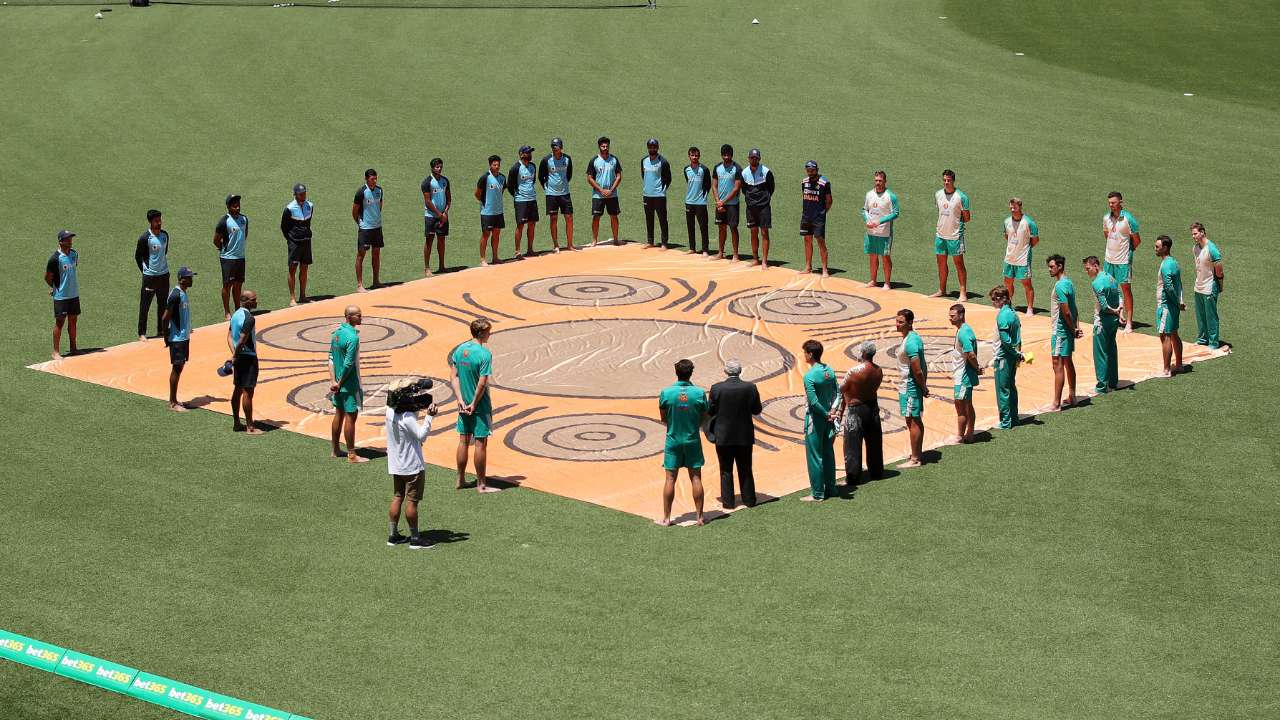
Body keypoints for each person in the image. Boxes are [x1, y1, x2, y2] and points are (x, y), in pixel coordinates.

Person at [384, 377, 439, 550]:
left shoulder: (389, 411)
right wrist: (429, 417)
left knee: (397, 496)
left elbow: (410, 408)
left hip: (396, 463)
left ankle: (393, 536)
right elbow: (421, 435)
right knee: (412, 501)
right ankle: (415, 539)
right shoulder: (407, 417)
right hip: (412, 465)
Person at [657, 358, 708, 525]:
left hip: (673, 439)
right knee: (696, 478)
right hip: (692, 438)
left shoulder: (666, 393)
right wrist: (694, 425)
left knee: (670, 478)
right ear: (691, 372)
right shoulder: (699, 393)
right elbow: (704, 417)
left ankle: (666, 518)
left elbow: (664, 418)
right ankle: (699, 517)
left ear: (676, 372)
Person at [450, 318, 499, 493]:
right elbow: (482, 382)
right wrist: (473, 403)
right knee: (480, 444)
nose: (490, 334)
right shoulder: (484, 354)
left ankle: (460, 479)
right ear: (481, 333)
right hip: (479, 406)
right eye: (488, 331)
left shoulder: (460, 350)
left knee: (463, 440)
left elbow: (453, 377)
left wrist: (460, 400)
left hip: (462, 405)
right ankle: (481, 484)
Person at [828, 340, 884, 486]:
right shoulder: (879, 371)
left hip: (856, 410)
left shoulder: (854, 372)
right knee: (874, 443)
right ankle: (877, 472)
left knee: (852, 446)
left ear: (864, 353)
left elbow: (841, 391)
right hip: (872, 408)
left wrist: (839, 410)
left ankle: (852, 477)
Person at [707, 359, 762, 509]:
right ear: (740, 371)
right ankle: (749, 500)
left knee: (726, 470)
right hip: (744, 435)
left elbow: (710, 410)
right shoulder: (750, 387)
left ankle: (728, 502)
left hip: (723, 436)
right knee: (745, 468)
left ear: (726, 371)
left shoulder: (717, 388)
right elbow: (757, 410)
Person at [800, 339, 838, 501]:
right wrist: (833, 412)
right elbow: (838, 394)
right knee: (828, 453)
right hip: (830, 418)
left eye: (804, 353)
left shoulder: (809, 376)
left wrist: (826, 414)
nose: (803, 356)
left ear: (810, 354)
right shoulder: (829, 370)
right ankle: (831, 488)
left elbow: (813, 401)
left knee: (815, 456)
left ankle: (817, 493)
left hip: (816, 419)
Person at [1046, 254, 1082, 410]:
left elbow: (1066, 311)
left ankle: (1056, 403)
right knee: (1068, 362)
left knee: (1058, 364)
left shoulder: (1060, 286)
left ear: (1060, 266)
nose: (1049, 269)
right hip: (1067, 330)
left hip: (1060, 331)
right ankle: (1072, 396)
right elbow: (1074, 308)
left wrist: (1072, 328)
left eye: (1052, 266)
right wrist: (1075, 327)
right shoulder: (1069, 283)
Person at [1102, 191, 1142, 333]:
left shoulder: (1128, 219)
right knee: (1109, 288)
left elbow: (1136, 240)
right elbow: (1107, 234)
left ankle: (1129, 322)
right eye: (1109, 203)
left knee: (1126, 289)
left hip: (1123, 260)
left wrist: (1128, 252)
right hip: (1109, 259)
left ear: (1120, 202)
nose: (1111, 205)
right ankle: (1116, 316)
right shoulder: (1106, 218)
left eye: (1113, 202)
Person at [329, 305, 365, 461]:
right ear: (350, 317)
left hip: (337, 384)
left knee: (339, 414)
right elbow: (349, 364)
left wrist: (333, 381)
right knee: (351, 416)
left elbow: (330, 359)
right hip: (349, 384)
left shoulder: (336, 334)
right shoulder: (353, 337)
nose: (361, 317)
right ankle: (351, 454)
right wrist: (341, 382)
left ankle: (336, 449)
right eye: (358, 315)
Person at [1083, 256, 1122, 394]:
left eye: (1088, 269)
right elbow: (1119, 294)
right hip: (1114, 321)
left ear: (1096, 266)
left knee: (1100, 353)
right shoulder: (1110, 278)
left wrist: (1115, 312)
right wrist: (1119, 312)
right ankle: (1113, 381)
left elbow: (1104, 307)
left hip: (1103, 321)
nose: (1087, 272)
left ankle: (1102, 385)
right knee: (1111, 349)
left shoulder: (1096, 283)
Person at [988, 286, 1025, 429]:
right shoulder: (1013, 313)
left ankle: (1005, 422)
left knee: (1002, 389)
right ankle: (1014, 418)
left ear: (1001, 299)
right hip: (1011, 357)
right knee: (1011, 387)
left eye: (993, 299)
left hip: (1003, 358)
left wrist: (1016, 354)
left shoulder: (1002, 316)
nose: (992, 302)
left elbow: (1006, 341)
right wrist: (1018, 354)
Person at [895, 309, 928, 466]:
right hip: (906, 386)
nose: (898, 324)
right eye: (897, 321)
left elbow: (917, 369)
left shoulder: (911, 342)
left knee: (914, 420)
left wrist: (923, 387)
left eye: (901, 322)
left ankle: (916, 458)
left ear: (910, 322)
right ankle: (915, 454)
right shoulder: (909, 338)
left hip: (911, 387)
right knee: (910, 420)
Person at [161, 267, 196, 412]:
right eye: (189, 277)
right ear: (182, 279)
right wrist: (166, 337)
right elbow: (165, 318)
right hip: (177, 338)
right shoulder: (175, 295)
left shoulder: (183, 293)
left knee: (179, 367)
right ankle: (172, 402)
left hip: (183, 337)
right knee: (176, 368)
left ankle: (175, 400)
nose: (191, 279)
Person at [932, 169, 971, 299]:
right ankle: (941, 290)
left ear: (953, 181)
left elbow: (967, 217)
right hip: (940, 235)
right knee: (941, 263)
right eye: (944, 180)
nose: (946, 182)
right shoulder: (938, 194)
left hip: (955, 235)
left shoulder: (961, 197)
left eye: (949, 180)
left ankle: (963, 293)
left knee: (959, 264)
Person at [227, 290, 261, 434]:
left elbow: (229, 336)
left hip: (239, 357)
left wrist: (234, 354)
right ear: (247, 302)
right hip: (248, 358)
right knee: (248, 392)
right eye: (254, 300)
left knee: (237, 389)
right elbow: (242, 339)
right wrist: (235, 355)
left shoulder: (235, 315)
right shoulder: (249, 318)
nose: (256, 302)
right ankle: (250, 427)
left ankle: (236, 423)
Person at [1190, 222, 1225, 350]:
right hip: (1198, 285)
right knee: (1200, 315)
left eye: (1195, 233)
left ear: (1202, 232)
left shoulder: (1211, 248)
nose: (1193, 236)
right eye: (1192, 234)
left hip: (1210, 286)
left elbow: (1219, 269)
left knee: (1211, 316)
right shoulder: (1195, 248)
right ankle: (1202, 339)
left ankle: (1213, 342)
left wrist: (1220, 284)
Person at [135, 209, 170, 341]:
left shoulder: (165, 235)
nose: (159, 223)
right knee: (145, 305)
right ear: (150, 222)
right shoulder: (145, 238)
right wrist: (145, 270)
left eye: (160, 220)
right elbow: (138, 257)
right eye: (156, 221)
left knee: (162, 304)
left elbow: (164, 252)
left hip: (164, 275)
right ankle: (141, 333)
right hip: (150, 276)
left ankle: (160, 330)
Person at [1155, 235, 1187, 377]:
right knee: (1174, 334)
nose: (1155, 249)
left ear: (1165, 248)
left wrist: (1175, 302)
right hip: (1173, 306)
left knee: (1165, 336)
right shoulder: (1174, 262)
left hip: (1166, 306)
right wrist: (1180, 301)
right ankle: (1179, 365)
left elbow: (1169, 287)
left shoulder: (1166, 265)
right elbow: (1179, 284)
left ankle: (1167, 370)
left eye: (1157, 247)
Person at [45, 230, 80, 360]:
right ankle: (55, 352)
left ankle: (73, 348)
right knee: (60, 322)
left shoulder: (74, 254)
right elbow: (48, 277)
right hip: (61, 296)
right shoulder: (55, 258)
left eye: (71, 238)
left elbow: (71, 272)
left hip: (74, 294)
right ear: (61, 241)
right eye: (67, 239)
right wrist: (55, 287)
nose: (70, 241)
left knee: (73, 321)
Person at [948, 304, 981, 443]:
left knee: (961, 405)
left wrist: (977, 368)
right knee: (967, 404)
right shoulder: (964, 329)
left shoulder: (963, 332)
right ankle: (969, 432)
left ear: (961, 315)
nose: (950, 318)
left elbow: (970, 354)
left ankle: (961, 435)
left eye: (952, 316)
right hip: (962, 374)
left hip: (963, 375)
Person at [862, 170, 899, 289]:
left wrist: (880, 221)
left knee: (885, 257)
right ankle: (873, 280)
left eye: (880, 181)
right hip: (871, 232)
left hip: (885, 233)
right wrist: (867, 220)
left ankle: (887, 283)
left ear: (885, 181)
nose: (878, 182)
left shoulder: (890, 196)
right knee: (872, 256)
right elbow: (864, 210)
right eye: (876, 180)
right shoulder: (869, 194)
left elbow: (896, 213)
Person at [1001, 197, 1039, 315]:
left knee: (1026, 283)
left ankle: (1029, 308)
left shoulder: (1029, 222)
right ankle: (1008, 305)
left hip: (1023, 258)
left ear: (1020, 207)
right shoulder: (1007, 221)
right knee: (1008, 282)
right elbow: (1007, 236)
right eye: (1011, 207)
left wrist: (1025, 248)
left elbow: (1035, 240)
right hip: (1009, 257)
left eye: (1015, 207)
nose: (1012, 209)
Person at [213, 194, 248, 320]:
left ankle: (238, 309)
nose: (237, 206)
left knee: (238, 284)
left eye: (238, 203)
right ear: (228, 206)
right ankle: (227, 312)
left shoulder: (244, 219)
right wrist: (224, 248)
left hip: (240, 257)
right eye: (234, 204)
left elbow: (245, 234)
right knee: (227, 285)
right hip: (228, 258)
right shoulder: (224, 221)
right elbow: (216, 240)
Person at [538, 137, 575, 251]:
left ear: (561, 147)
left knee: (569, 218)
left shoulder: (567, 159)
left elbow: (569, 175)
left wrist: (563, 185)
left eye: (556, 146)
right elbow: (541, 176)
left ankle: (570, 244)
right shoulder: (546, 160)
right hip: (551, 195)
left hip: (565, 193)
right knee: (553, 219)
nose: (554, 148)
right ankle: (556, 245)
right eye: (553, 146)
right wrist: (547, 188)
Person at [741, 148, 775, 269]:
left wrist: (764, 199)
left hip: (764, 207)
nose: (754, 159)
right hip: (751, 207)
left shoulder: (766, 172)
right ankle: (755, 259)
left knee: (764, 232)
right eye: (752, 157)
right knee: (753, 232)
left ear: (759, 159)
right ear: (749, 158)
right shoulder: (744, 173)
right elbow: (744, 189)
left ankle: (764, 261)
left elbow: (771, 188)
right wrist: (751, 200)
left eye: (756, 158)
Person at [279, 183, 313, 305]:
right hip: (294, 243)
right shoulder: (289, 208)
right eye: (300, 194)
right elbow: (284, 226)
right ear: (295, 195)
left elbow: (307, 223)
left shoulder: (310, 206)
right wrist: (290, 239)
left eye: (304, 193)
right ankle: (292, 297)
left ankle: (303, 295)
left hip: (306, 241)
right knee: (292, 268)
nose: (303, 195)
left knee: (304, 268)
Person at [586, 136, 622, 246]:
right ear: (599, 147)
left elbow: (619, 176)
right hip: (598, 195)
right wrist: (601, 190)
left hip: (612, 194)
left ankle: (615, 239)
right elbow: (589, 178)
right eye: (603, 146)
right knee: (596, 217)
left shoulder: (614, 160)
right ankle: (594, 240)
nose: (605, 148)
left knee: (614, 216)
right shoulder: (594, 160)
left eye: (607, 146)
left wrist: (611, 190)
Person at [800, 160, 833, 276]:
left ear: (817, 170)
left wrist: (822, 213)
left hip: (818, 218)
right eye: (808, 170)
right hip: (806, 216)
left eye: (812, 170)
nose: (810, 172)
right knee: (807, 240)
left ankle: (824, 269)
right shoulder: (804, 182)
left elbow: (829, 201)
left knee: (820, 240)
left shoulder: (824, 183)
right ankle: (808, 267)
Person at [352, 169, 383, 292]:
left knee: (376, 254)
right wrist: (361, 223)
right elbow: (354, 211)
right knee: (361, 255)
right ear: (366, 179)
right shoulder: (361, 192)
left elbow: (379, 206)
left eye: (375, 179)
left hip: (377, 227)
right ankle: (360, 285)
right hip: (365, 228)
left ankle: (376, 281)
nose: (374, 181)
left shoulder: (379, 190)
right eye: (372, 179)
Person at [507, 145, 539, 259]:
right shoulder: (515, 168)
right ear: (521, 154)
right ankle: (517, 251)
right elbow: (510, 185)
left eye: (530, 152)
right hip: (521, 200)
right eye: (527, 153)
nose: (530, 154)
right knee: (520, 225)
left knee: (532, 224)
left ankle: (530, 249)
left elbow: (532, 181)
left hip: (532, 199)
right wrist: (517, 195)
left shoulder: (533, 166)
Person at [711, 144, 743, 260]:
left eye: (728, 155)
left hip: (732, 204)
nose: (726, 157)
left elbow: (736, 188)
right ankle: (720, 253)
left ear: (731, 155)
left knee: (733, 228)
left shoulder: (737, 168)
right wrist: (718, 202)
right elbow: (714, 186)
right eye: (724, 155)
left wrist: (722, 202)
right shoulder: (717, 168)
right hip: (720, 204)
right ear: (721, 155)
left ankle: (735, 255)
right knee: (721, 227)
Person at [640, 138, 672, 249]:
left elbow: (668, 178)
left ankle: (664, 242)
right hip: (647, 195)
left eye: (654, 146)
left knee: (662, 219)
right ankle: (650, 241)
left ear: (657, 147)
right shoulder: (643, 160)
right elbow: (643, 175)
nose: (652, 148)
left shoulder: (663, 162)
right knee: (649, 218)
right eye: (650, 146)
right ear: (648, 147)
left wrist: (662, 189)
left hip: (659, 195)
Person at [475, 155, 506, 266]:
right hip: (487, 212)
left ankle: (495, 257)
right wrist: (485, 203)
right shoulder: (485, 178)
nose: (497, 167)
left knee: (496, 234)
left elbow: (500, 192)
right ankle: (483, 259)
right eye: (494, 165)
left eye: (498, 165)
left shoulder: (502, 178)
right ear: (490, 165)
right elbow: (477, 194)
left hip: (498, 211)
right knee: (485, 234)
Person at [421, 158, 451, 275]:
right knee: (429, 241)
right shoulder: (427, 182)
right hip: (431, 216)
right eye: (437, 167)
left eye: (440, 166)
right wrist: (439, 214)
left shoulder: (445, 181)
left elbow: (449, 199)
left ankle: (442, 266)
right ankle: (427, 268)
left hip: (443, 216)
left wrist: (445, 212)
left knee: (442, 240)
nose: (439, 169)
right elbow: (428, 201)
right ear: (432, 168)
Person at [683, 146, 712, 255]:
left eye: (696, 155)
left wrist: (703, 196)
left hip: (701, 202)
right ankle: (692, 248)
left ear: (699, 156)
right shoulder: (686, 169)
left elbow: (708, 184)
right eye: (692, 155)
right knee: (690, 226)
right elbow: (688, 182)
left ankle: (705, 250)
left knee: (703, 226)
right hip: (689, 202)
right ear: (689, 156)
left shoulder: (704, 169)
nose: (694, 157)